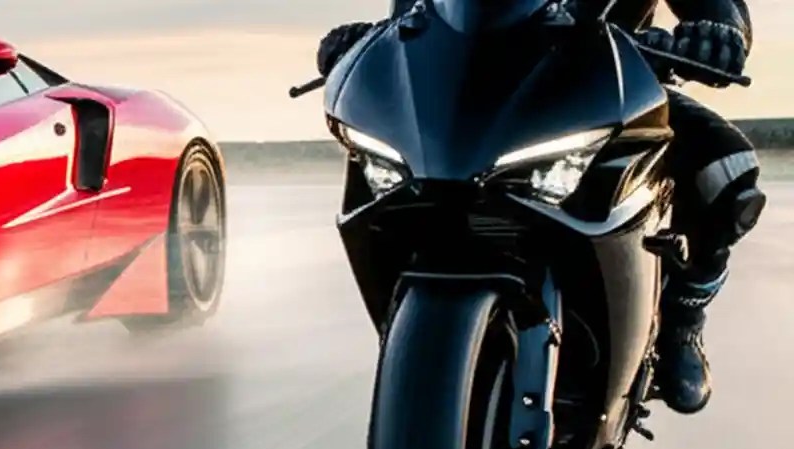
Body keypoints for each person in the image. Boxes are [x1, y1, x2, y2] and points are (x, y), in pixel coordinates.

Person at [315, 0, 765, 415]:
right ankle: (413, 343)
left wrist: (721, 33)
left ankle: (682, 321)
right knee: (385, 171)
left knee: (728, 173)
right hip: (464, 90)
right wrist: (369, 38)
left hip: (604, 86)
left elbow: (720, 7)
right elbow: (417, 12)